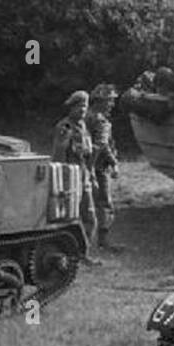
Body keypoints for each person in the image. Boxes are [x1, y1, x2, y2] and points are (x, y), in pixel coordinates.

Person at [53, 90, 98, 261]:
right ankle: (66, 253)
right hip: (70, 177)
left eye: (85, 107)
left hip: (83, 175)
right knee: (69, 217)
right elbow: (59, 155)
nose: (83, 111)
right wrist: (61, 181)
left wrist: (91, 175)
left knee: (90, 215)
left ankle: (84, 253)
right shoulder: (65, 127)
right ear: (71, 108)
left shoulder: (83, 126)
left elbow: (87, 155)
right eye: (79, 107)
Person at [86, 83, 120, 250]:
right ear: (100, 101)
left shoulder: (86, 115)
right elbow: (102, 145)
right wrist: (114, 162)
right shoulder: (100, 120)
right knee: (104, 203)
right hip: (99, 167)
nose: (112, 104)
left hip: (84, 165)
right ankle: (103, 241)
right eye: (109, 101)